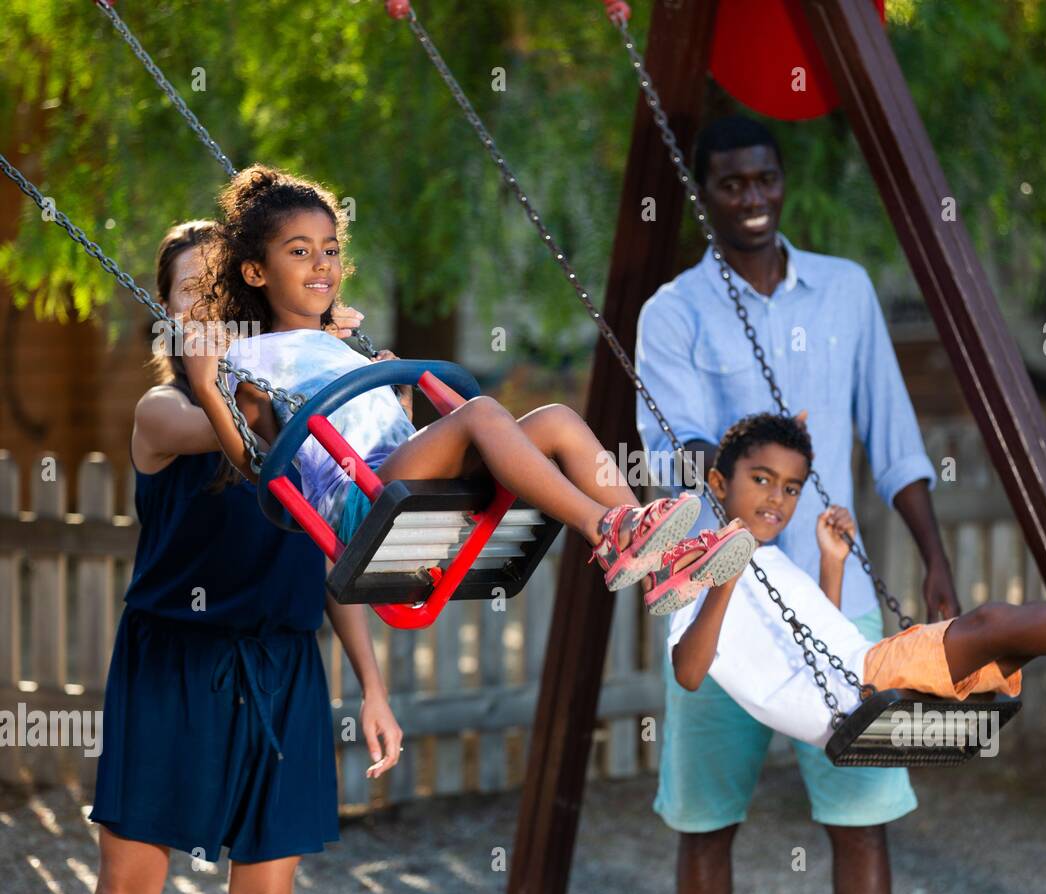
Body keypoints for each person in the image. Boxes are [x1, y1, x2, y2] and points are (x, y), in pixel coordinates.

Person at [634, 114, 958, 894]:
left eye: (765, 179)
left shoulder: (845, 289)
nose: (752, 198)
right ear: (703, 195)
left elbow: (893, 436)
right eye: (731, 184)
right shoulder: (672, 314)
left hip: (834, 600)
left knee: (861, 816)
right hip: (720, 603)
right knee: (705, 821)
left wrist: (934, 559)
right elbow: (676, 452)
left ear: (784, 181)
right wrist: (763, 447)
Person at [185, 164, 754, 614]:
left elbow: (395, 436)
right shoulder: (248, 358)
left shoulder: (344, 345)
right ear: (256, 272)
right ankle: (605, 528)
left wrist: (397, 398)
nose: (322, 264)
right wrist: (209, 390)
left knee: (555, 418)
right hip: (361, 501)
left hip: (403, 479)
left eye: (330, 249)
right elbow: (262, 466)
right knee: (480, 413)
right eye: (299, 251)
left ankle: (652, 562)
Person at [86, 221, 399, 894]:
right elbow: (246, 428)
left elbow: (330, 557)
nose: (204, 306)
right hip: (171, 665)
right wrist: (321, 355)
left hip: (282, 665)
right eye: (187, 292)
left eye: (216, 288)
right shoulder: (162, 414)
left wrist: (372, 686)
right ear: (164, 311)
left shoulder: (300, 404)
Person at [670, 413, 1046, 753]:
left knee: (1026, 639)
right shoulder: (699, 574)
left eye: (791, 487)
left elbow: (815, 639)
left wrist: (831, 562)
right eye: (760, 480)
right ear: (719, 486)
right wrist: (723, 575)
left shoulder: (778, 562)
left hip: (858, 674)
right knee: (994, 621)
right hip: (860, 688)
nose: (777, 499)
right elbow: (689, 671)